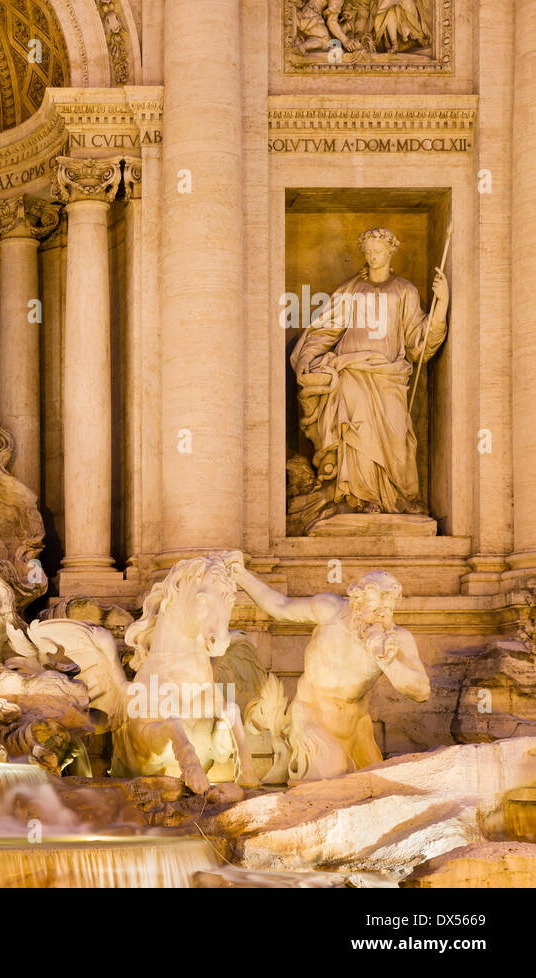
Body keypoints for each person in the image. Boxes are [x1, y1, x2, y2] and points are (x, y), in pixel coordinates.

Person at [290, 227, 448, 523]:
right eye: (369, 252)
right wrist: (308, 356)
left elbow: (420, 343)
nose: (373, 257)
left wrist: (442, 305)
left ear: (391, 252)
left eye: (379, 251)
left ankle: (395, 497)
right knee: (356, 431)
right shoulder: (351, 289)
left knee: (396, 434)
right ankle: (360, 498)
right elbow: (326, 329)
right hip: (351, 371)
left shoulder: (405, 291)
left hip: (389, 375)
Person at [232, 556, 430, 782]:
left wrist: (388, 661)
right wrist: (241, 575)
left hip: (356, 729)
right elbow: (279, 606)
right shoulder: (329, 611)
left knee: (374, 786)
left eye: (387, 611)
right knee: (333, 774)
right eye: (375, 610)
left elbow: (421, 691)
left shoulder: (396, 639)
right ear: (357, 602)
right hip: (310, 718)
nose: (382, 618)